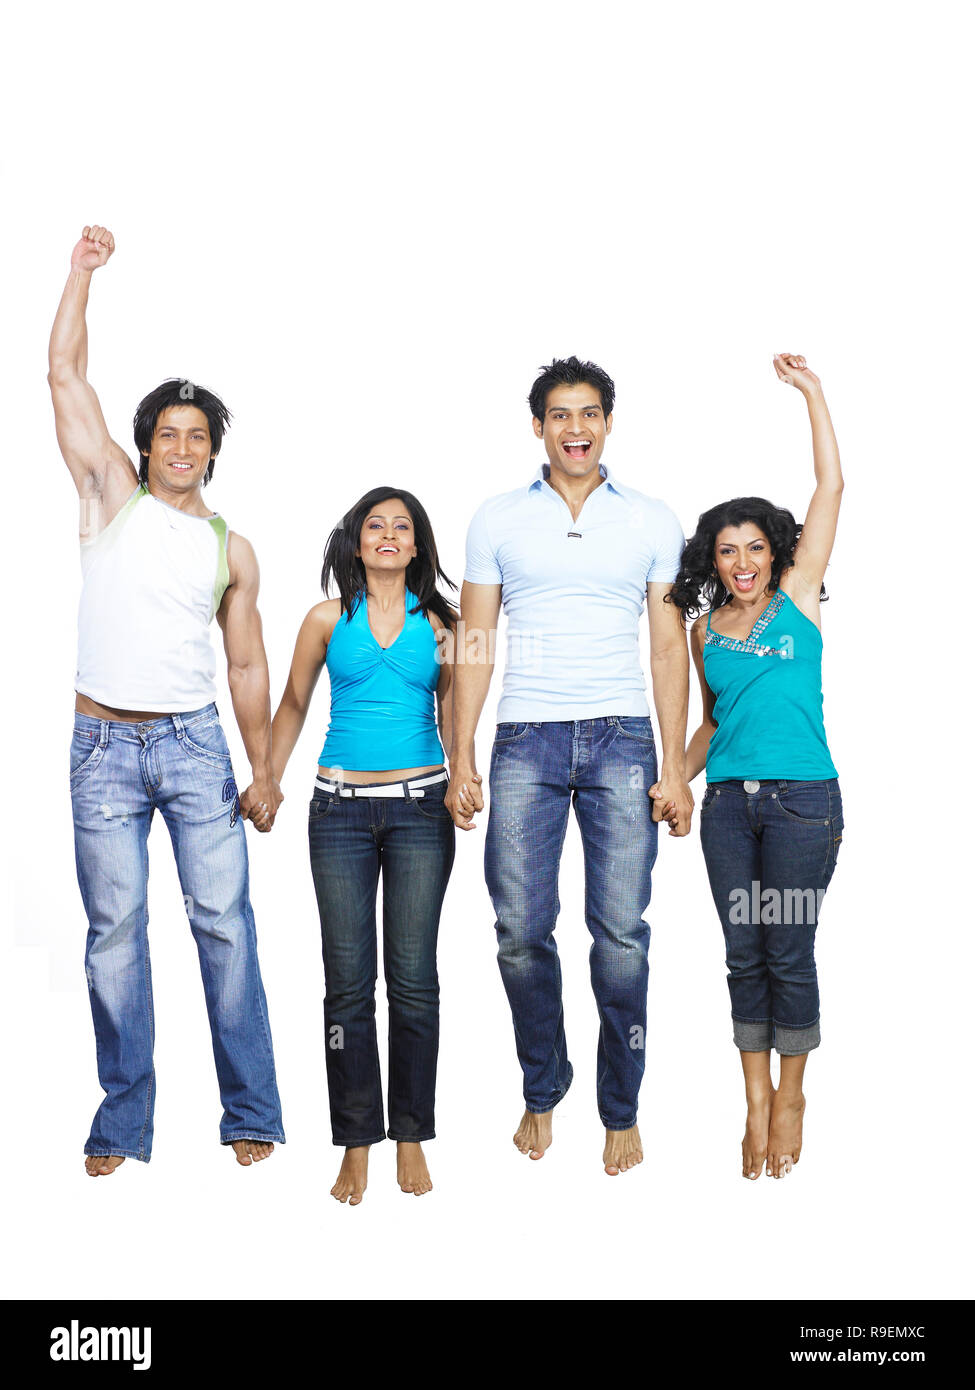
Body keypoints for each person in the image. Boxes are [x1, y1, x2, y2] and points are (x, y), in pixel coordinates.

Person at [49, 225, 285, 1175]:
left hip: (194, 750)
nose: (181, 447)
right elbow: (64, 376)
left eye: (198, 437)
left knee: (224, 925)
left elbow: (247, 671)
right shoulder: (111, 498)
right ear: (142, 446)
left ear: (213, 453)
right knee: (114, 939)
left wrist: (265, 768)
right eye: (167, 434)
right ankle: (122, 1127)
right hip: (101, 745)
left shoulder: (232, 547)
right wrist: (81, 274)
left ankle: (251, 1112)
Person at [446, 356, 693, 1176]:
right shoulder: (496, 518)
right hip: (526, 737)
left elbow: (665, 647)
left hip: (623, 737)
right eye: (560, 415)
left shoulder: (654, 520)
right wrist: (462, 754)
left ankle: (619, 1108)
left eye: (589, 414)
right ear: (538, 426)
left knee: (620, 937)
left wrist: (671, 765)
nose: (575, 429)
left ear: (608, 423)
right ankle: (543, 1086)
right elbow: (475, 643)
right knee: (519, 931)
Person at [659, 351, 844, 1180]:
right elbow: (710, 726)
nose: (740, 560)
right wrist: (675, 777)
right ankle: (754, 1100)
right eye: (726, 550)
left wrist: (811, 393)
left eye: (753, 547)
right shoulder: (704, 633)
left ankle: (794, 1093)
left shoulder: (796, 599)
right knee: (742, 951)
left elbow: (830, 491)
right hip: (731, 807)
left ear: (774, 554)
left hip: (804, 802)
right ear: (715, 557)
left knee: (787, 950)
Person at [269, 487, 456, 1204]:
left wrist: (463, 774)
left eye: (400, 526)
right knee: (347, 987)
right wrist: (267, 780)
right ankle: (355, 1142)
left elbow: (458, 707)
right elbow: (291, 705)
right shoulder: (324, 619)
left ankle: (409, 1134)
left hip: (419, 811)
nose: (387, 534)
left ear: (416, 546)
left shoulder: (447, 622)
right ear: (355, 544)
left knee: (412, 983)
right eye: (373, 525)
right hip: (337, 813)